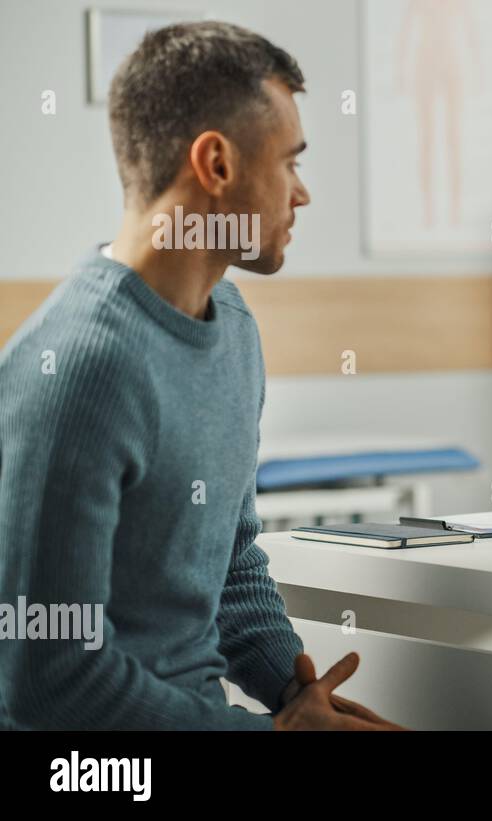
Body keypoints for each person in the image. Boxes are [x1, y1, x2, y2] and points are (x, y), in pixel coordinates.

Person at [0, 21, 400, 729]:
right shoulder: (78, 369)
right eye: (290, 163)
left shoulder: (234, 326)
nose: (301, 195)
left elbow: (228, 560)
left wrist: (294, 690)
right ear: (216, 164)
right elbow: (50, 676)